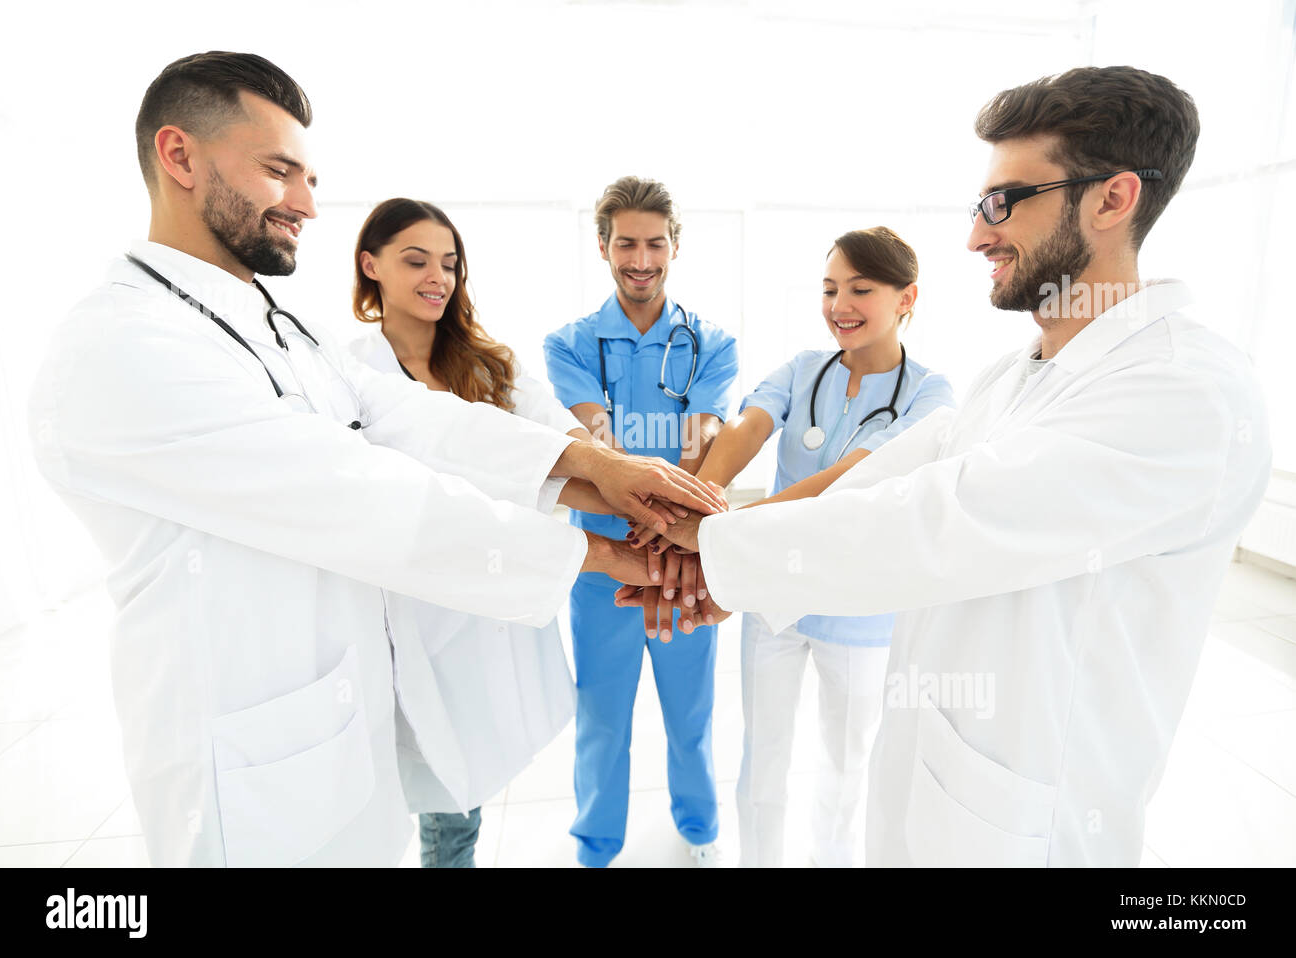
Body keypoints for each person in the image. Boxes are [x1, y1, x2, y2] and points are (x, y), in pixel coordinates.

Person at [25, 52, 725, 867]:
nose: (308, 205)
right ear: (179, 156)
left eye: (310, 177)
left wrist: (597, 466)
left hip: (345, 742)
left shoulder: (278, 328)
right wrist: (592, 551)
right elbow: (357, 492)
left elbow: (409, 419)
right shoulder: (122, 345)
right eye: (280, 171)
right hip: (247, 782)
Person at [620, 66, 1271, 866]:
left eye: (1004, 202)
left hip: (1033, 826)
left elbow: (944, 518)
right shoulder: (1015, 375)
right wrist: (721, 539)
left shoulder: (1186, 391)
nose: (977, 234)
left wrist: (718, 557)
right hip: (939, 783)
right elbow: (891, 475)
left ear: (1112, 198)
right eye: (979, 205)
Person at [349, 197, 611, 867]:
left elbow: (558, 436)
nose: (437, 277)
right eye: (416, 261)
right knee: (403, 798)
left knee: (458, 796)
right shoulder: (346, 374)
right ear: (369, 264)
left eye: (449, 263)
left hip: (482, 604)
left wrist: (616, 477)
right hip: (400, 613)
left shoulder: (487, 364)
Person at [687, 227, 955, 866]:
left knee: (844, 763)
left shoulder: (930, 393)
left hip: (857, 609)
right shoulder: (803, 370)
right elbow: (746, 430)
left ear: (906, 297)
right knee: (765, 756)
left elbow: (848, 480)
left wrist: (724, 531)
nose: (841, 303)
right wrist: (692, 497)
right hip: (776, 600)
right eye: (831, 288)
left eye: (861, 288)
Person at [543, 176, 739, 867]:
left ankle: (699, 829)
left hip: (685, 563)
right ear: (603, 246)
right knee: (602, 718)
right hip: (602, 565)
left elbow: (703, 437)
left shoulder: (711, 344)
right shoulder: (566, 346)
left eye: (655, 243)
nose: (641, 259)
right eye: (626, 243)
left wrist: (673, 522)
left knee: (691, 714)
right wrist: (649, 498)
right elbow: (597, 446)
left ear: (674, 247)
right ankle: (596, 847)